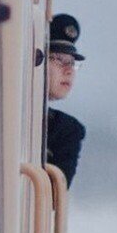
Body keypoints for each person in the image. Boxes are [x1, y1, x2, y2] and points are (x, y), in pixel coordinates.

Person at [45, 13, 86, 185]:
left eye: (72, 63)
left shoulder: (66, 130)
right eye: (59, 60)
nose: (69, 70)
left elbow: (53, 197)